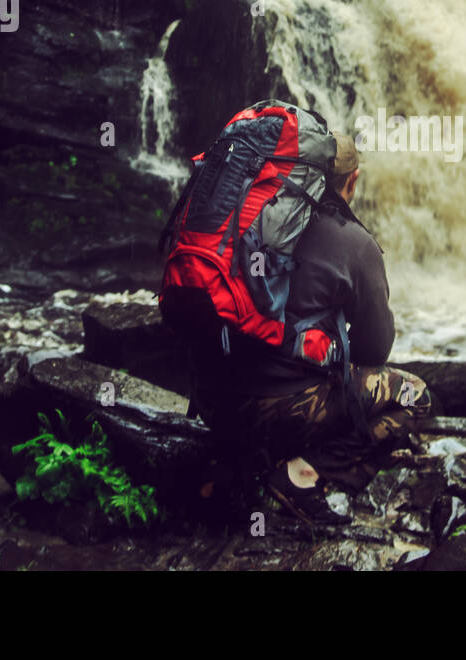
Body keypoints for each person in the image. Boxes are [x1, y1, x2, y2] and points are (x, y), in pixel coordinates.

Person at [169, 131, 432, 525]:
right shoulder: (356, 243)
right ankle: (303, 473)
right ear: (354, 180)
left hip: (211, 399)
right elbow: (376, 351)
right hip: (279, 411)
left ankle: (234, 463)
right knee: (415, 396)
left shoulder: (242, 218)